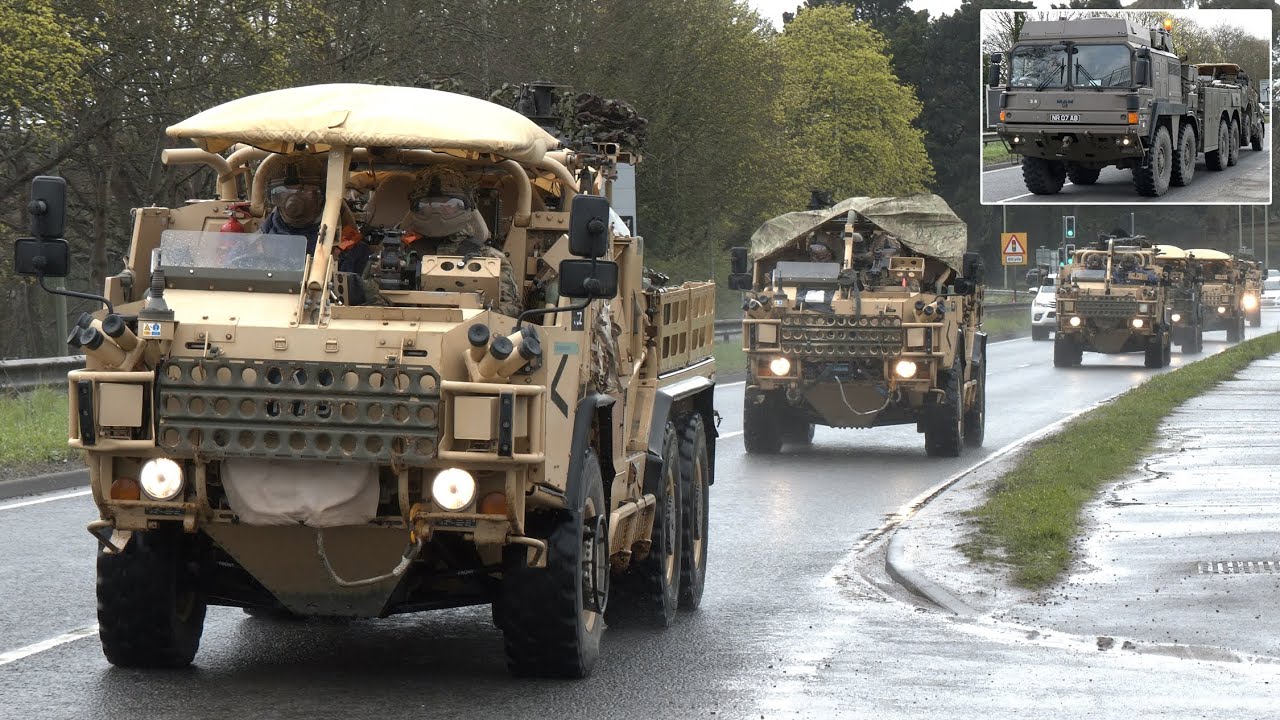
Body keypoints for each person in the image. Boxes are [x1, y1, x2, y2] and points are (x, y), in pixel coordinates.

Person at [400, 167, 521, 316]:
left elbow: (511, 309)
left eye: (448, 205)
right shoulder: (399, 255)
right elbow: (374, 300)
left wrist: (478, 318)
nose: (437, 212)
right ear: (416, 209)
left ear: (466, 208)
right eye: (428, 205)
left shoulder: (490, 258)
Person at [258, 155, 370, 274]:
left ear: (322, 195)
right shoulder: (261, 238)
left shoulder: (349, 248)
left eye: (303, 191)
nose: (293, 199)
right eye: (282, 192)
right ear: (272, 198)